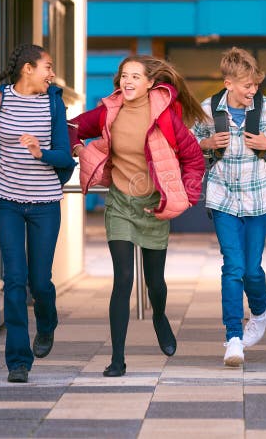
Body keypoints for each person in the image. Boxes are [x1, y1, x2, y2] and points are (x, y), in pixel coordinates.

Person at [68, 55, 205, 377]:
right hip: (120, 205)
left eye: (134, 76)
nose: (127, 81)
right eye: (123, 76)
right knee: (123, 280)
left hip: (153, 207)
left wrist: (183, 198)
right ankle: (117, 359)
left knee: (155, 282)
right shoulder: (108, 112)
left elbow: (194, 160)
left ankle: (159, 316)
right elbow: (72, 126)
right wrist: (79, 150)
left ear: (149, 83)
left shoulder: (167, 118)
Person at [0, 44, 76, 383]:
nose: (51, 74)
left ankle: (48, 322)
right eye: (47, 67)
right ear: (28, 68)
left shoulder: (53, 102)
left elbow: (66, 158)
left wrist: (42, 153)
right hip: (7, 202)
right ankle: (18, 361)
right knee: (14, 280)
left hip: (45, 204)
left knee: (39, 282)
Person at [192, 47, 266, 367]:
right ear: (228, 83)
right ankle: (233, 337)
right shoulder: (208, 110)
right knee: (232, 266)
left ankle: (261, 308)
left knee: (252, 269)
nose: (253, 91)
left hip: (258, 196)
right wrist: (206, 144)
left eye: (256, 85)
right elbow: (188, 143)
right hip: (222, 196)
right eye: (247, 85)